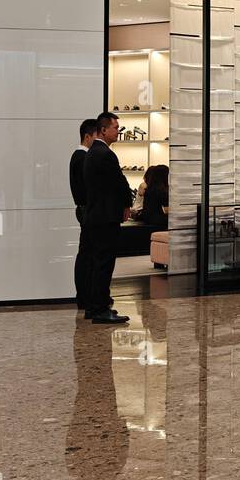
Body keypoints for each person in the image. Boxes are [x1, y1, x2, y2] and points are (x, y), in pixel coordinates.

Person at [81, 112, 133, 325]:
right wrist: (127, 203)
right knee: (104, 263)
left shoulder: (93, 152)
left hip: (96, 216)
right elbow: (118, 182)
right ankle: (101, 308)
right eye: (115, 127)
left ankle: (94, 307)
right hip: (105, 218)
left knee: (97, 263)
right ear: (103, 130)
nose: (118, 131)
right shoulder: (105, 154)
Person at [69, 118, 99, 311]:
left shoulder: (78, 156)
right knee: (87, 254)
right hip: (87, 210)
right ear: (88, 136)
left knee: (87, 253)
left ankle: (86, 295)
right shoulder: (82, 157)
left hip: (85, 209)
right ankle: (86, 295)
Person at [133, 164, 169, 229]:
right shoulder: (160, 190)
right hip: (154, 219)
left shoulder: (150, 189)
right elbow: (166, 209)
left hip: (148, 218)